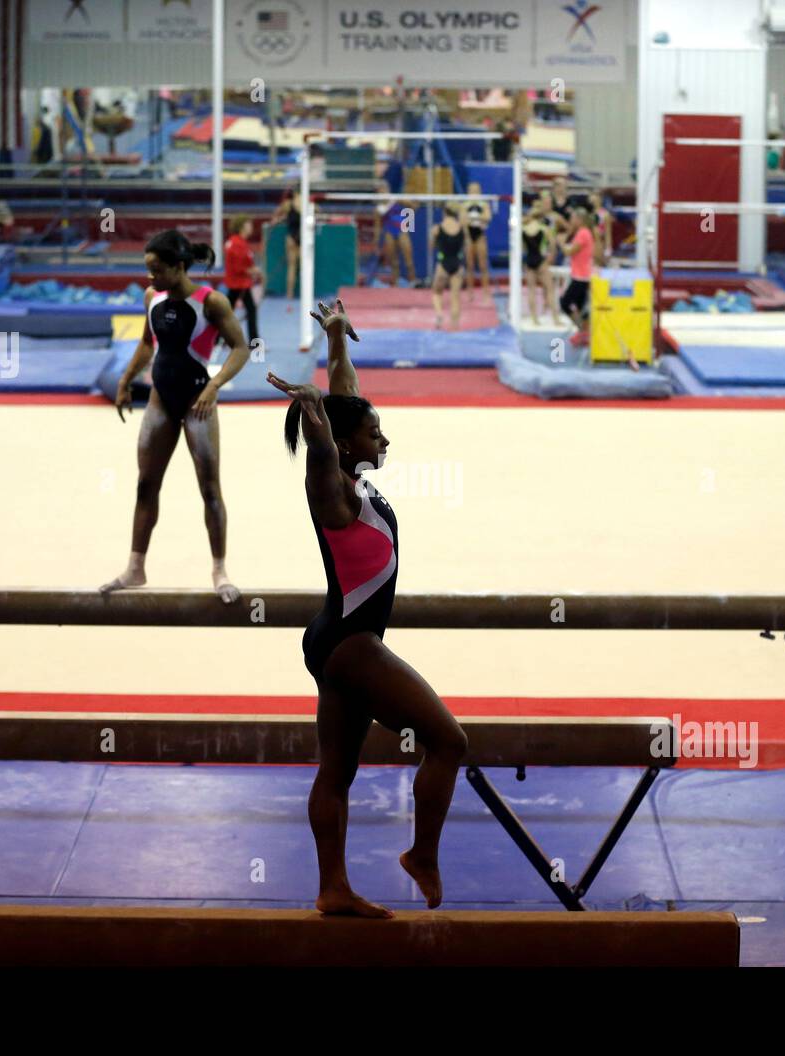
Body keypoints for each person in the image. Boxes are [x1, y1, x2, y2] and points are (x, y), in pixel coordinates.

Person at [266, 299, 467, 917]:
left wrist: (335, 343)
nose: (383, 436)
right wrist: (317, 422)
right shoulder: (332, 491)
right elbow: (327, 446)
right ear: (346, 441)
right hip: (353, 645)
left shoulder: (355, 481)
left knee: (337, 771)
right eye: (374, 431)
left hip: (337, 641)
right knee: (449, 742)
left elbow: (345, 396)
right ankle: (423, 855)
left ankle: (332, 888)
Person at [103, 230, 252, 598]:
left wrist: (214, 385)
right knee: (145, 485)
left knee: (209, 489)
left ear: (179, 266)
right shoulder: (152, 297)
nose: (150, 277)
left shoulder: (211, 302)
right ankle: (135, 567)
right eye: (148, 270)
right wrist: (125, 379)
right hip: (160, 399)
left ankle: (220, 570)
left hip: (196, 402)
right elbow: (146, 342)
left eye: (157, 270)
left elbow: (240, 348)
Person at [558, 207, 595, 346]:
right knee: (579, 307)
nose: (571, 221)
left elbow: (570, 251)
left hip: (581, 276)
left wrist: (561, 243)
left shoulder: (583, 233)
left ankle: (582, 330)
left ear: (579, 220)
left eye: (573, 218)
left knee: (565, 303)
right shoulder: (584, 232)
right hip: (582, 275)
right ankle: (583, 333)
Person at [429, 205, 470, 329]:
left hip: (443, 264)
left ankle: (439, 314)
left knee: (436, 292)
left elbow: (431, 247)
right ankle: (455, 326)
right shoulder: (462, 229)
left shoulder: (436, 228)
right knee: (455, 297)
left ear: (444, 213)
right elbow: (466, 248)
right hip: (457, 263)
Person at [223, 216, 262, 346]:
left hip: (239, 283)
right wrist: (254, 271)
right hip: (239, 284)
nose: (251, 227)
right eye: (248, 224)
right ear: (242, 226)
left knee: (227, 312)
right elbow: (239, 267)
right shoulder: (237, 243)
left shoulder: (239, 242)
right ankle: (254, 342)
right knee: (249, 311)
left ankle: (218, 338)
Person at [521, 200, 559, 326]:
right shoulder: (545, 229)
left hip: (529, 260)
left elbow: (522, 248)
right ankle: (555, 319)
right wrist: (550, 257)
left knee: (531, 290)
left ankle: (534, 319)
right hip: (540, 260)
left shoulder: (523, 229)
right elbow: (553, 245)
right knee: (550, 289)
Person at [376, 183, 416, 288]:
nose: (382, 192)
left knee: (408, 261)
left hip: (402, 230)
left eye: (383, 189)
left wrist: (404, 201)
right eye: (380, 191)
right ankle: (396, 284)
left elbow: (414, 207)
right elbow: (378, 224)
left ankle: (413, 281)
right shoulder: (379, 207)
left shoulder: (396, 199)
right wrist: (376, 240)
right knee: (394, 261)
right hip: (389, 231)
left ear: (388, 190)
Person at [271, 187, 303, 301]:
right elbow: (318, 211)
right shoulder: (305, 202)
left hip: (291, 237)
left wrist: (278, 219)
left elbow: (276, 213)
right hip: (304, 237)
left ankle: (289, 295)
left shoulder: (288, 204)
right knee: (304, 267)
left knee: (292, 267)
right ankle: (305, 293)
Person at [462, 182, 492, 299]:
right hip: (469, 235)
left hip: (479, 235)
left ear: (479, 192)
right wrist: (478, 217)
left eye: (476, 190)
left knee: (483, 265)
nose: (474, 193)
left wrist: (472, 217)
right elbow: (463, 222)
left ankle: (486, 291)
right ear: (468, 192)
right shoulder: (464, 204)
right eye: (472, 190)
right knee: (470, 265)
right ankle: (470, 292)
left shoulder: (484, 204)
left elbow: (487, 218)